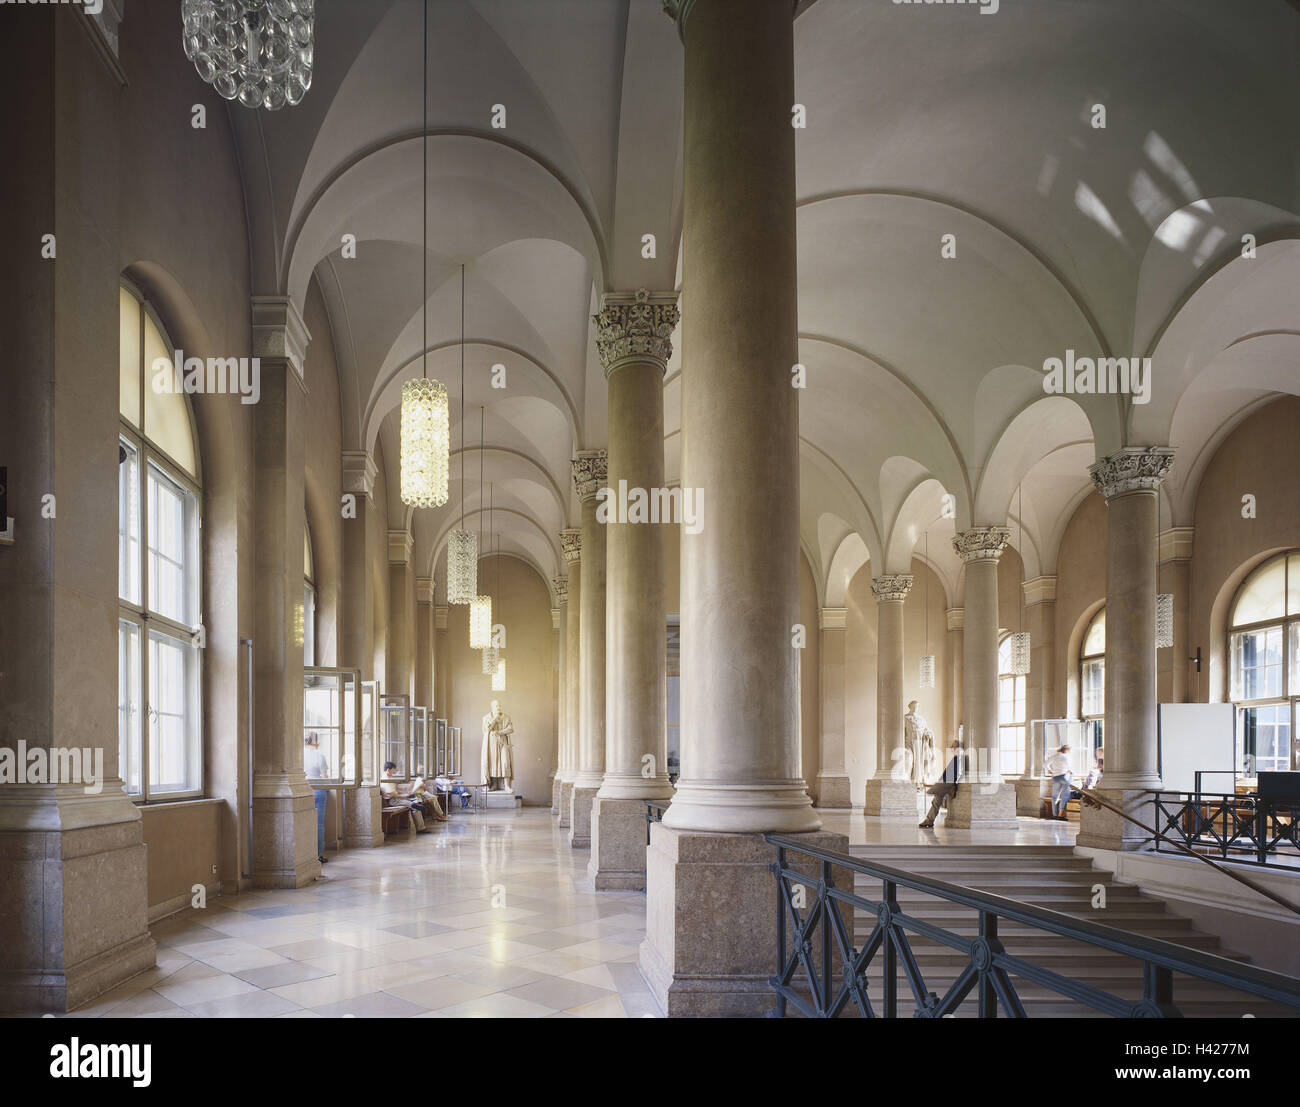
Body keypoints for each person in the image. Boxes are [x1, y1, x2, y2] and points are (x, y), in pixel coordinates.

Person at [920, 741, 969, 828]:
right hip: (945, 781)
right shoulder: (957, 757)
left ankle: (929, 819)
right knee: (936, 799)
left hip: (947, 783)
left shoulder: (960, 758)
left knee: (934, 794)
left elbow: (960, 773)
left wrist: (954, 785)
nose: (951, 748)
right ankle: (929, 820)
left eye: (953, 746)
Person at [303, 733, 330, 864]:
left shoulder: (299, 754)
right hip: (318, 790)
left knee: (303, 823)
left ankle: (304, 856)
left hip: (303, 790)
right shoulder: (319, 754)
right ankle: (317, 855)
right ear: (316, 741)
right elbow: (324, 775)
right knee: (318, 824)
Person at [1044, 743, 1073, 818]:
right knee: (1064, 795)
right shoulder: (1066, 757)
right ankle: (1061, 814)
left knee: (1054, 797)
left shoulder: (1054, 756)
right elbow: (1070, 769)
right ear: (1067, 750)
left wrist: (1051, 771)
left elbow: (1045, 764)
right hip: (1064, 776)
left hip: (1056, 777)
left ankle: (1054, 814)